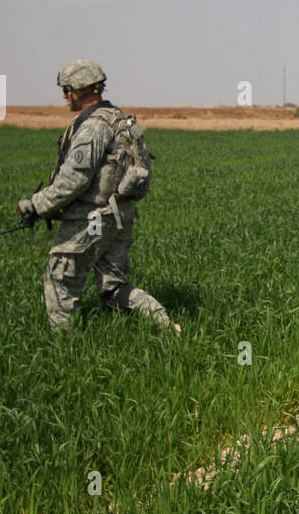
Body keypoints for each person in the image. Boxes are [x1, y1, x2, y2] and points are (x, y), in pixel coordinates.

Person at [17, 59, 180, 334]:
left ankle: (64, 349)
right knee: (113, 289)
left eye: (67, 90)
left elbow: (74, 180)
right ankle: (164, 323)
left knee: (60, 281)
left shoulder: (94, 126)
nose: (64, 96)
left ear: (79, 89)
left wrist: (36, 205)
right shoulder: (120, 120)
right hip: (121, 217)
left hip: (92, 218)